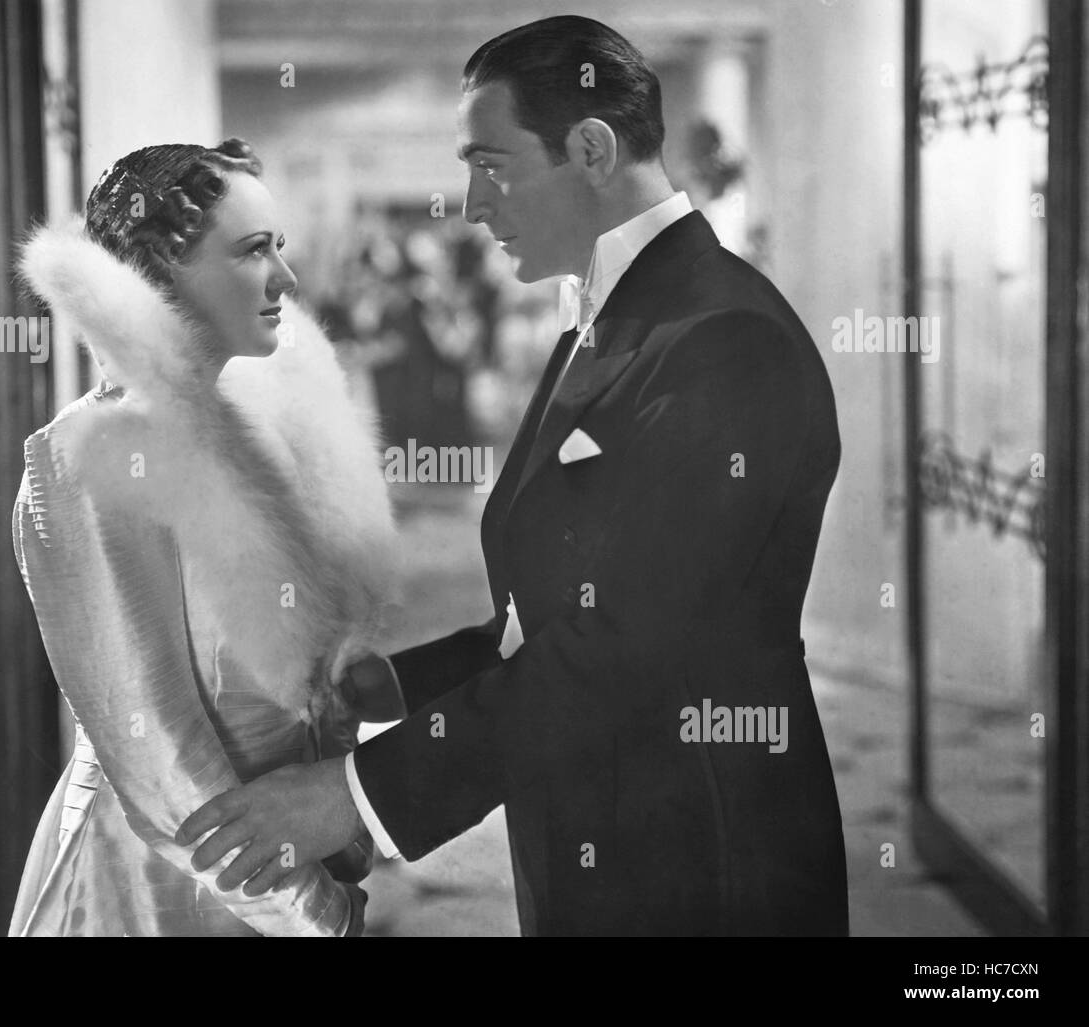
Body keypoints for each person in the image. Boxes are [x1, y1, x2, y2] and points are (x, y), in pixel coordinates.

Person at [178, 17, 849, 937]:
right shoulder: (614, 311)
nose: (471, 203)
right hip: (598, 820)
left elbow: (626, 648)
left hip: (699, 852)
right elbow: (555, 611)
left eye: (489, 164)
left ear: (590, 147)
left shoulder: (720, 337)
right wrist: (392, 688)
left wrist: (357, 796)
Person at [8, 139, 396, 937]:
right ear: (160, 270)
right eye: (254, 252)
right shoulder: (90, 454)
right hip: (170, 874)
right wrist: (311, 911)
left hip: (279, 847)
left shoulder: (255, 429)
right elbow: (152, 738)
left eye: (279, 248)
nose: (286, 279)